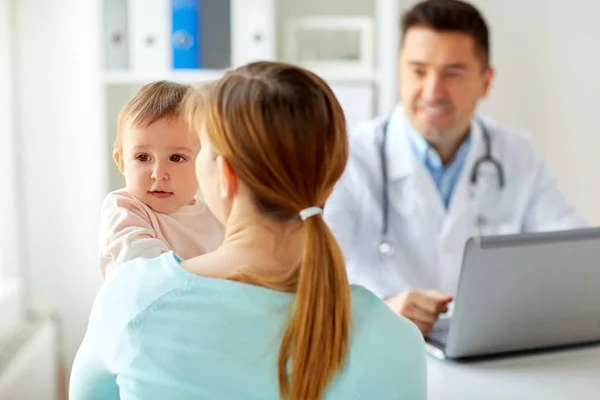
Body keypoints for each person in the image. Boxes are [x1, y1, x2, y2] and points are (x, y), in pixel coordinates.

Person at [69, 62, 427, 400]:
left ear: (225, 175)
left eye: (195, 153)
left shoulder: (133, 299)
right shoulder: (396, 341)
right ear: (330, 180)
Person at [323, 0, 589, 336]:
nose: (433, 91)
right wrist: (381, 310)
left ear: (485, 81)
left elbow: (575, 256)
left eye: (453, 73)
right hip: (383, 348)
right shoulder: (350, 156)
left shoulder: (517, 154)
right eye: (418, 71)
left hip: (490, 349)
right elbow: (311, 282)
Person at [98, 80, 224, 279]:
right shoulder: (124, 209)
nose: (158, 173)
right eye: (142, 157)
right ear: (121, 163)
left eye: (176, 158)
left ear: (203, 162)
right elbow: (150, 273)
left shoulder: (215, 216)